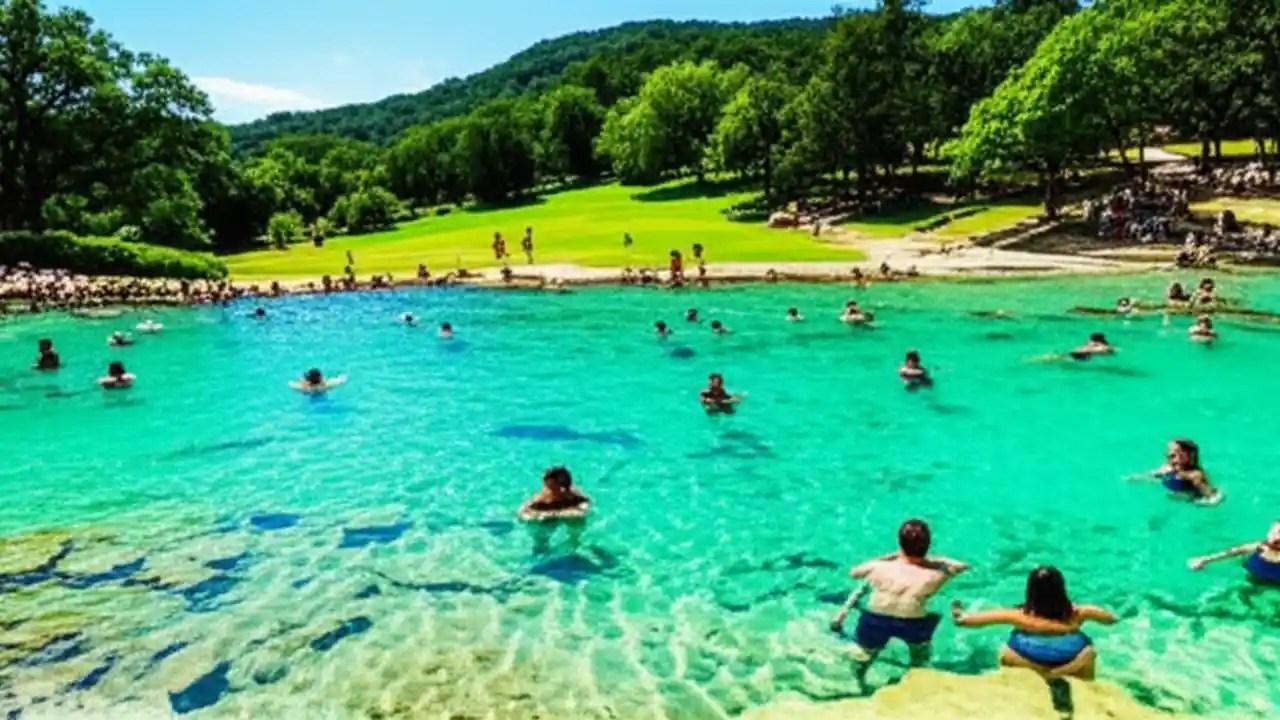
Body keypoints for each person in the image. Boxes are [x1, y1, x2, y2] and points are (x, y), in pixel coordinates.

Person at [843, 519, 969, 679]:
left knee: (864, 656)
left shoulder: (879, 566)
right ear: (928, 545)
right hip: (913, 622)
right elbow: (962, 565)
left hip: (876, 618)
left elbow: (853, 572)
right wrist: (930, 560)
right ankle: (916, 678)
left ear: (900, 543)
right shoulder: (935, 574)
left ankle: (859, 682)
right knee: (920, 656)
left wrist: (893, 555)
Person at [952, 566, 1116, 680]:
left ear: (1030, 591)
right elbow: (1110, 619)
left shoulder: (1020, 617)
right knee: (1089, 651)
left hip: (1029, 663)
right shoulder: (1078, 614)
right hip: (1070, 663)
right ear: (1061, 590)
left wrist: (957, 611)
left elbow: (966, 621)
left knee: (1005, 651)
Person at [1188, 521, 1280, 585]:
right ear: (1268, 533)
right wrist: (1204, 560)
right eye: (1275, 533)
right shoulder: (1258, 547)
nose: (1277, 537)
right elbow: (1232, 552)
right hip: (1252, 578)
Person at [1135, 438, 1222, 504]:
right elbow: (1149, 475)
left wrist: (1200, 501)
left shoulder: (1195, 476)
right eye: (1168, 455)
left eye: (1172, 455)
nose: (1168, 457)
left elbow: (1213, 498)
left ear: (1187, 457)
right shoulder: (1168, 468)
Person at [518, 466, 591, 522]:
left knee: (577, 522)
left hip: (559, 511)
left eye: (551, 486)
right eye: (547, 486)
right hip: (548, 516)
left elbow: (584, 508)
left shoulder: (575, 496)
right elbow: (521, 513)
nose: (546, 489)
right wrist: (551, 514)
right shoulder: (542, 500)